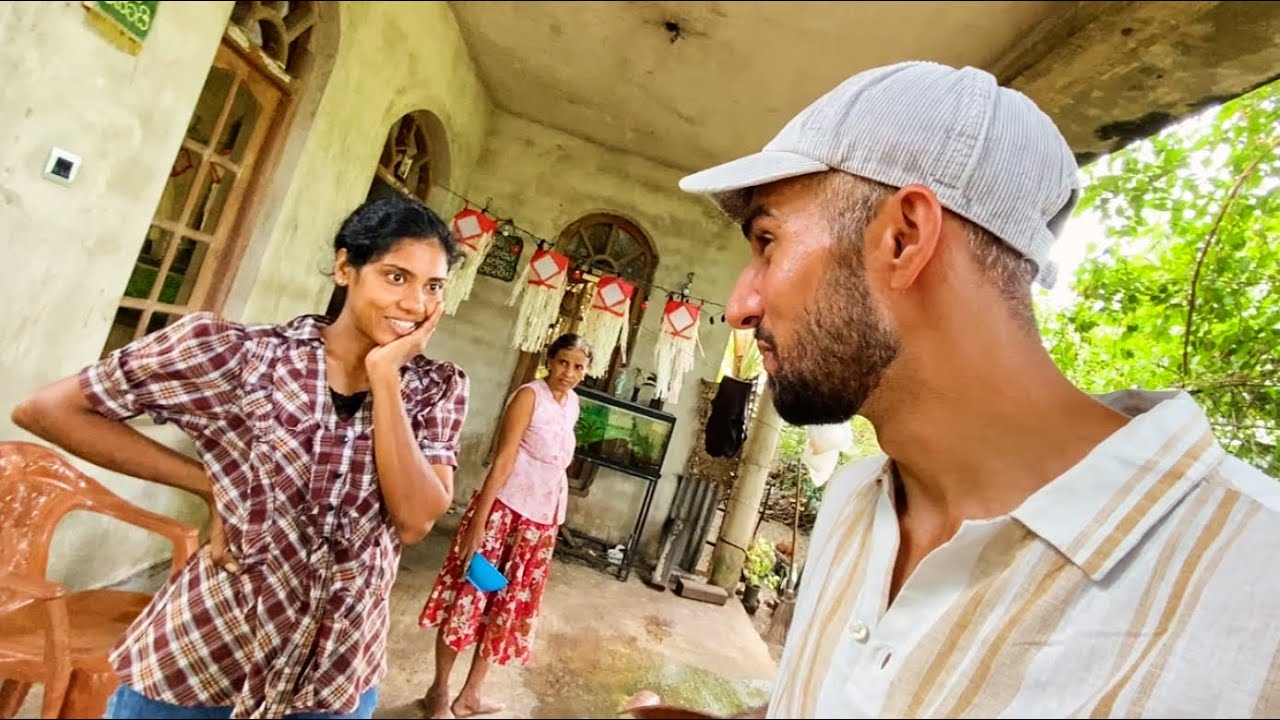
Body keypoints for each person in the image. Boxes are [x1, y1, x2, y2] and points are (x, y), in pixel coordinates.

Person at [636, 61, 1280, 718]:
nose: (740, 306)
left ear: (904, 239)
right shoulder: (853, 502)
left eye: (768, 241)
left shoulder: (1260, 593)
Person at [11, 195, 471, 719]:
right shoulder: (241, 356)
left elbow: (415, 520)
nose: (414, 303)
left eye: (432, 286)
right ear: (346, 267)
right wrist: (211, 485)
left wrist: (385, 377)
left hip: (331, 677)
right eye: (396, 277)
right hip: (204, 657)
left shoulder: (436, 388)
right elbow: (48, 411)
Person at [417, 333, 590, 719]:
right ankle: (440, 691)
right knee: (470, 598)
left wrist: (551, 524)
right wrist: (479, 524)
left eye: (578, 367)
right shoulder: (529, 397)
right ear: (550, 361)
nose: (568, 372)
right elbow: (504, 458)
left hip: (538, 524)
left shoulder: (573, 404)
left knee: (503, 607)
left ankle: (471, 695)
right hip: (503, 516)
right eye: (563, 362)